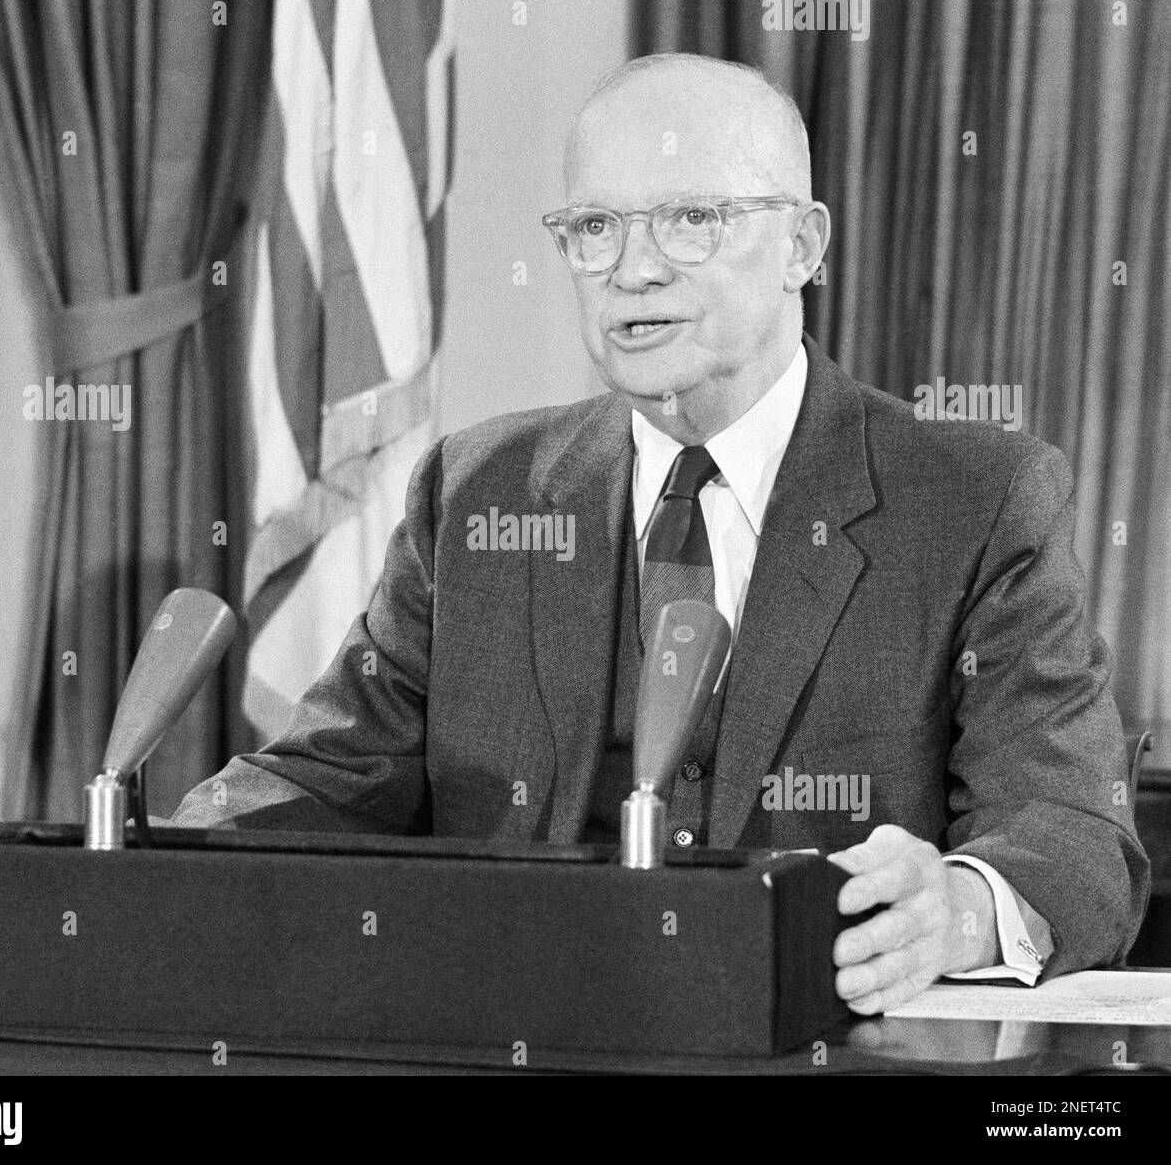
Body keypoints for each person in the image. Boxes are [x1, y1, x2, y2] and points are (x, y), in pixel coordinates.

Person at [171, 54, 1149, 1013]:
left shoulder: (974, 498)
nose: (634, 269)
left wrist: (958, 910)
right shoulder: (477, 494)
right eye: (594, 226)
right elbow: (327, 779)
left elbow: (1071, 832)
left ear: (804, 246)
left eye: (691, 219)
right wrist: (144, 859)